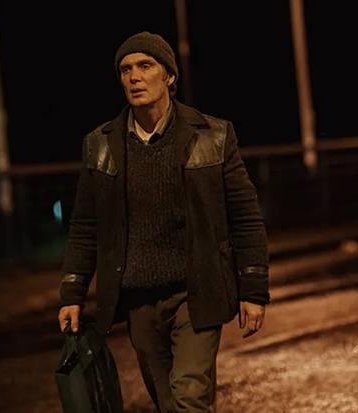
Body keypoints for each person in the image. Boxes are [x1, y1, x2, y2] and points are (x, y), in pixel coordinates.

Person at [57, 31, 269, 412]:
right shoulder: (101, 144)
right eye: (125, 70)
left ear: (169, 76)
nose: (134, 77)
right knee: (168, 403)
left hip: (197, 292)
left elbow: (245, 215)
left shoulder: (213, 135)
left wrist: (253, 289)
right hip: (138, 300)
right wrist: (72, 294)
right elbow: (85, 225)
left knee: (190, 397)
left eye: (145, 66)